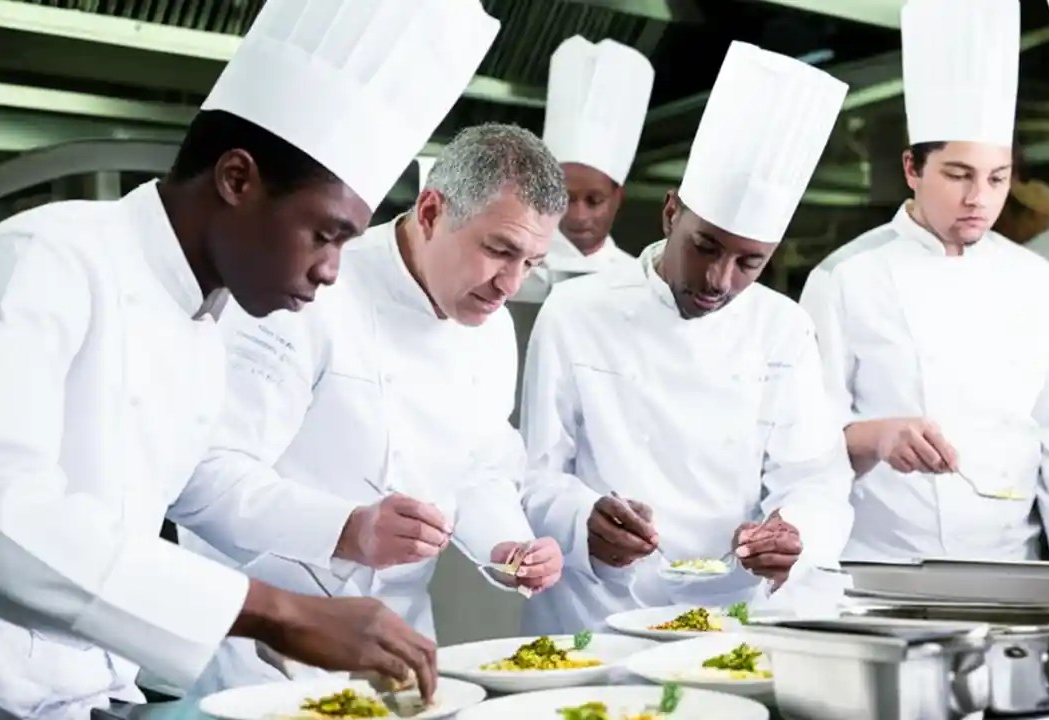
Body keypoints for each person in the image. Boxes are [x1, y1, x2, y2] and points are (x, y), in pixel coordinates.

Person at [0, 1, 499, 715]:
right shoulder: (48, 259)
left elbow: (197, 487)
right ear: (237, 179)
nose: (331, 271)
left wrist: (350, 529)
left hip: (92, 697)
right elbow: (8, 517)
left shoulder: (204, 321)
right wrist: (272, 611)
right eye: (325, 234)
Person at [180, 123, 570, 691]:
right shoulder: (308, 286)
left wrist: (507, 546)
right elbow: (206, 476)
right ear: (432, 211)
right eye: (499, 250)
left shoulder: (489, 328)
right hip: (263, 650)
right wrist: (349, 529)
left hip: (400, 645)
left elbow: (481, 469)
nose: (510, 284)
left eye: (532, 262)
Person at [518, 41, 854, 635]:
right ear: (672, 213)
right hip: (595, 617)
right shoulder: (575, 312)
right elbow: (535, 474)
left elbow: (816, 481)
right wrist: (583, 519)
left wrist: (792, 532)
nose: (719, 282)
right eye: (705, 247)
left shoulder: (784, 327)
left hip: (735, 621)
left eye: (749, 263)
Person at [804, 0, 1049, 563]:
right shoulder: (845, 278)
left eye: (997, 179)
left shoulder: (1038, 285)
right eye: (957, 175)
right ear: (911, 169)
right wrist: (877, 437)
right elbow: (802, 450)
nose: (979, 199)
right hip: (874, 573)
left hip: (1012, 575)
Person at [518, 36, 654, 299]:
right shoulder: (509, 271)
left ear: (617, 198)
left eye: (594, 201)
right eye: (566, 199)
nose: (579, 216)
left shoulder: (639, 285)